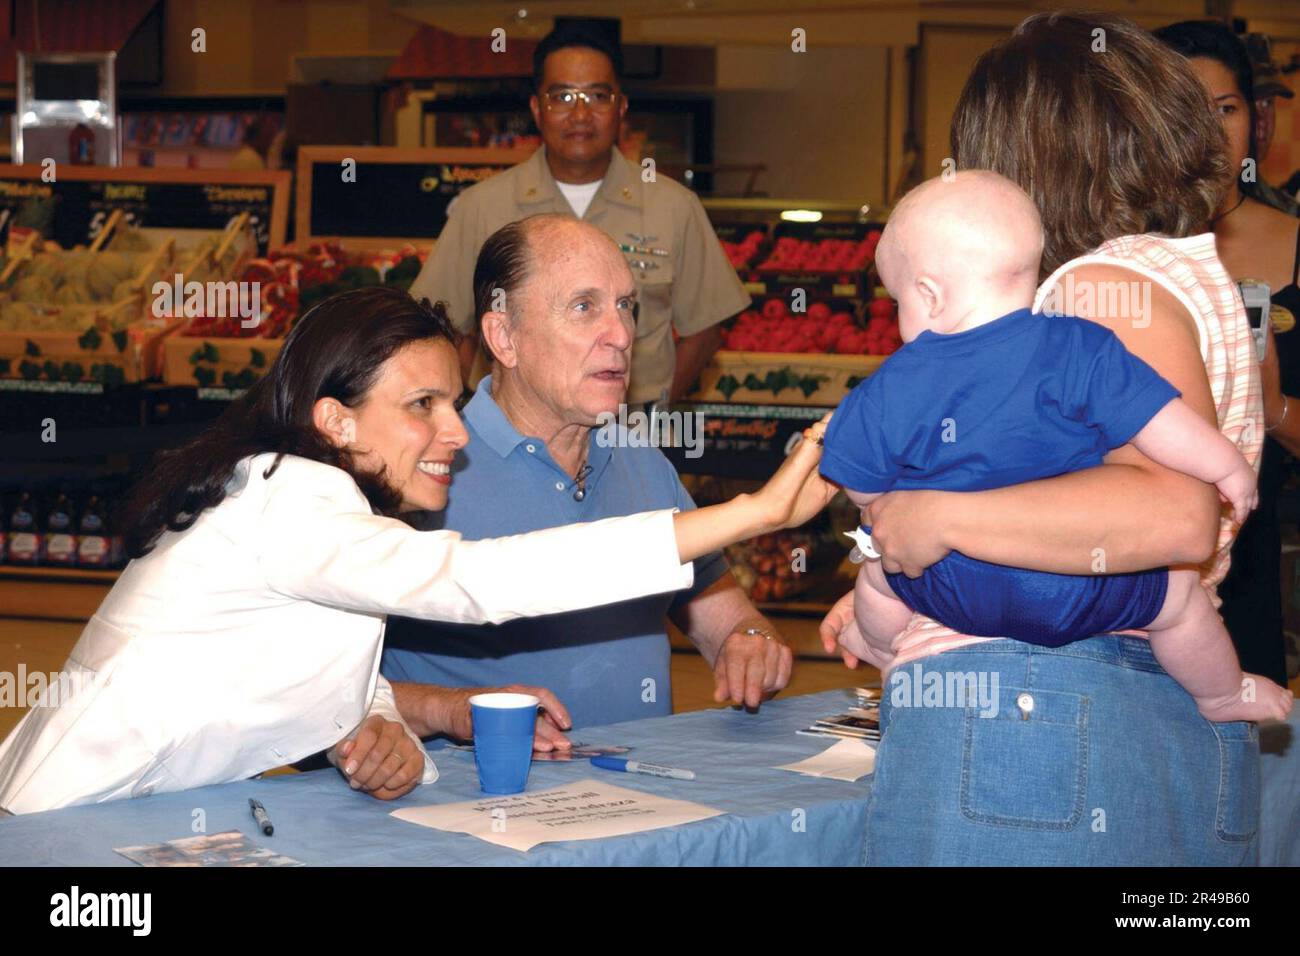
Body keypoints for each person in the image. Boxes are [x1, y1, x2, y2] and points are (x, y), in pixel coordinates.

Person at [0, 287, 836, 815]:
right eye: (423, 405)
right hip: (69, 821)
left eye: (451, 400)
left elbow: (314, 671)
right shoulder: (295, 494)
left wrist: (426, 718)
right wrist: (751, 512)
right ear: (337, 420)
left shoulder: (313, 502)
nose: (451, 432)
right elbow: (479, 581)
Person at [820, 11, 1264, 865]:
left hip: (1044, 715)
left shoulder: (1099, 289)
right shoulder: (1181, 271)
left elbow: (1172, 514)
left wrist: (939, 521)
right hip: (1143, 704)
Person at [826, 170, 1289, 723]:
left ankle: (880, 649)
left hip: (951, 585)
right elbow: (1163, 424)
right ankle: (1221, 694)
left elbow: (864, 491)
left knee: (877, 570)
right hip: (1079, 582)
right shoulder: (1080, 345)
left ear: (928, 293)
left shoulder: (884, 388)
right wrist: (1229, 469)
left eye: (897, 299)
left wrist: (888, 507)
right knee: (1183, 601)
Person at [384, 215, 792, 736]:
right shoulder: (426, 471)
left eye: (626, 305)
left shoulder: (641, 462)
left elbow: (730, 621)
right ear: (504, 337)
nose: (621, 334)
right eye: (584, 307)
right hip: (479, 806)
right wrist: (454, 708)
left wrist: (751, 644)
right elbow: (330, 690)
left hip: (646, 800)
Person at [408, 22, 746, 406]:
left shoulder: (674, 207)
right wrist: (463, 412)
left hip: (628, 435)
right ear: (537, 108)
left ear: (621, 107)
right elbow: (441, 325)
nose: (581, 114)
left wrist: (656, 411)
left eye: (597, 96)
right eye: (563, 97)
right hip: (510, 441)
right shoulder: (482, 207)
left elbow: (704, 330)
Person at [1155, 20, 1299, 690]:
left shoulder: (1293, 245)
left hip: (1262, 575)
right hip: (1137, 572)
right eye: (1182, 110)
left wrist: (1273, 410)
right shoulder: (1105, 259)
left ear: (1259, 121)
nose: (1208, 133)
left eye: (1226, 109)